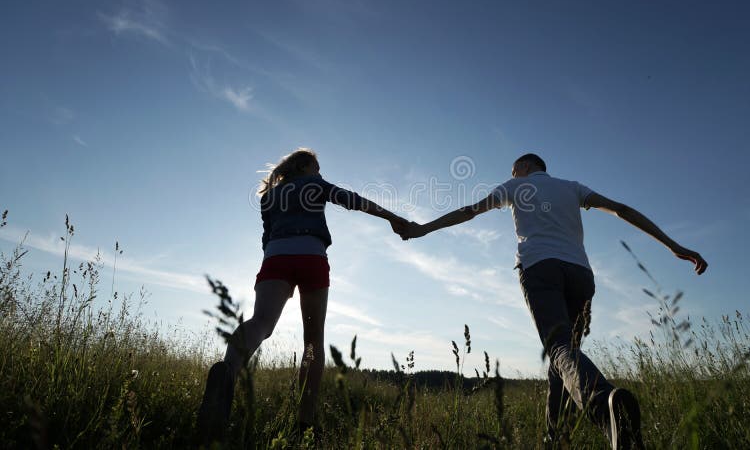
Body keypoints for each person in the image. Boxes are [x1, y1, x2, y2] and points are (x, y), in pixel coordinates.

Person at [398, 153, 707, 449]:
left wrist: (423, 229)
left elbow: (470, 211)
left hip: (540, 269)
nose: (511, 174)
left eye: (513, 169)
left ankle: (606, 407)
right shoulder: (571, 188)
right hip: (581, 274)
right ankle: (554, 440)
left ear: (524, 165)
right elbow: (621, 209)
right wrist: (672, 245)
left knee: (559, 349)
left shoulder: (515, 186)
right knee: (563, 360)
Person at [197, 148, 407, 442]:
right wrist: (392, 217)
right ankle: (305, 423)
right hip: (311, 256)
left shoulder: (269, 196)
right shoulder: (316, 184)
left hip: (275, 257)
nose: (319, 174)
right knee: (312, 341)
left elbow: (266, 237)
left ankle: (227, 372)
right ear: (306, 166)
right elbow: (354, 201)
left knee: (260, 323)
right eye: (317, 168)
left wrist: (278, 265)